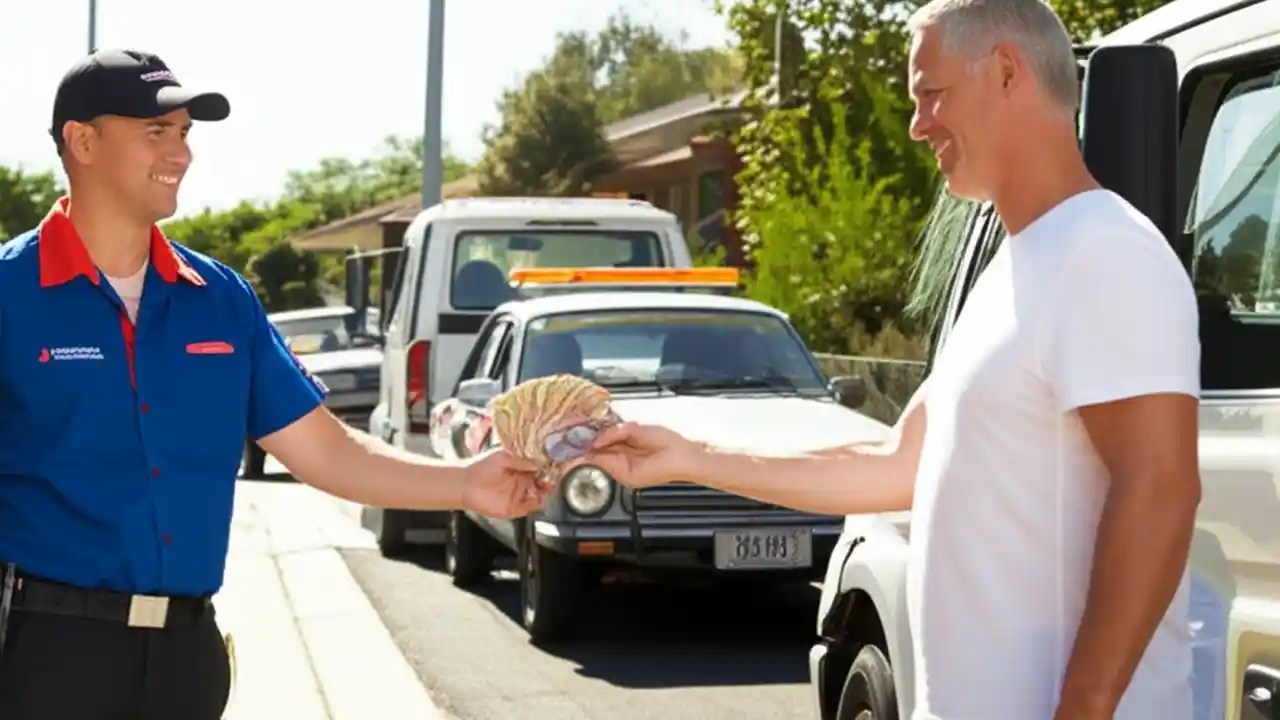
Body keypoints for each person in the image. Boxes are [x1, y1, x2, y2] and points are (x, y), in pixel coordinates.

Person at [582, 1, 1201, 719]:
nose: (917, 125)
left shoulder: (1105, 253)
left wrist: (1085, 708)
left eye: (931, 95)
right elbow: (897, 466)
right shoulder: (1015, 267)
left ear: (1006, 71)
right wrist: (687, 457)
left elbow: (1159, 486)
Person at [0, 49, 546, 719]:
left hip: (185, 660)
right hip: (44, 656)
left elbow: (325, 449)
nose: (181, 154)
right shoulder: (8, 294)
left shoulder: (222, 300)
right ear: (81, 141)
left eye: (184, 134)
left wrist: (463, 484)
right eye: (156, 132)